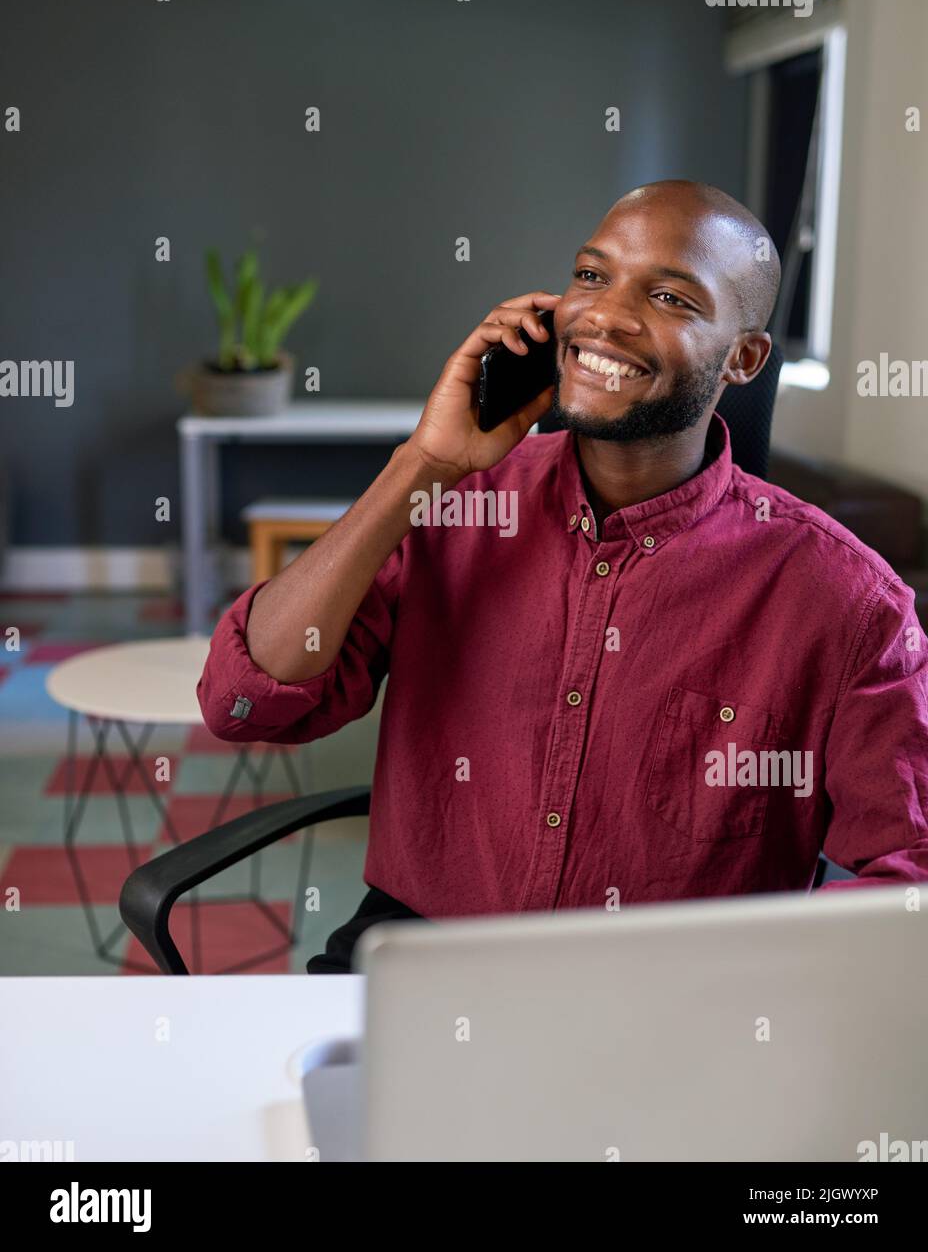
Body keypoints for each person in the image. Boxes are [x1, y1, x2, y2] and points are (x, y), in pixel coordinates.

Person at [197, 180, 928, 973]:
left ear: (743, 358)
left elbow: (909, 871)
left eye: (672, 297)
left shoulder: (847, 603)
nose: (607, 315)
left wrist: (762, 1002)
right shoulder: (455, 504)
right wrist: (422, 465)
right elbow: (244, 701)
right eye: (590, 276)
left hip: (670, 1001)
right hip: (423, 959)